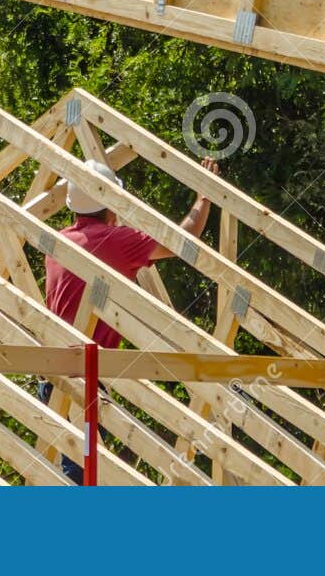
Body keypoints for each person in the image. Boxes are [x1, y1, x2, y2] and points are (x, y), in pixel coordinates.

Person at [36, 155, 216, 481]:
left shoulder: (56, 242)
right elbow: (183, 240)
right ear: (109, 202)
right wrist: (204, 197)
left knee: (84, 472)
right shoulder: (117, 241)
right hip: (85, 378)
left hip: (54, 374)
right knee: (87, 477)